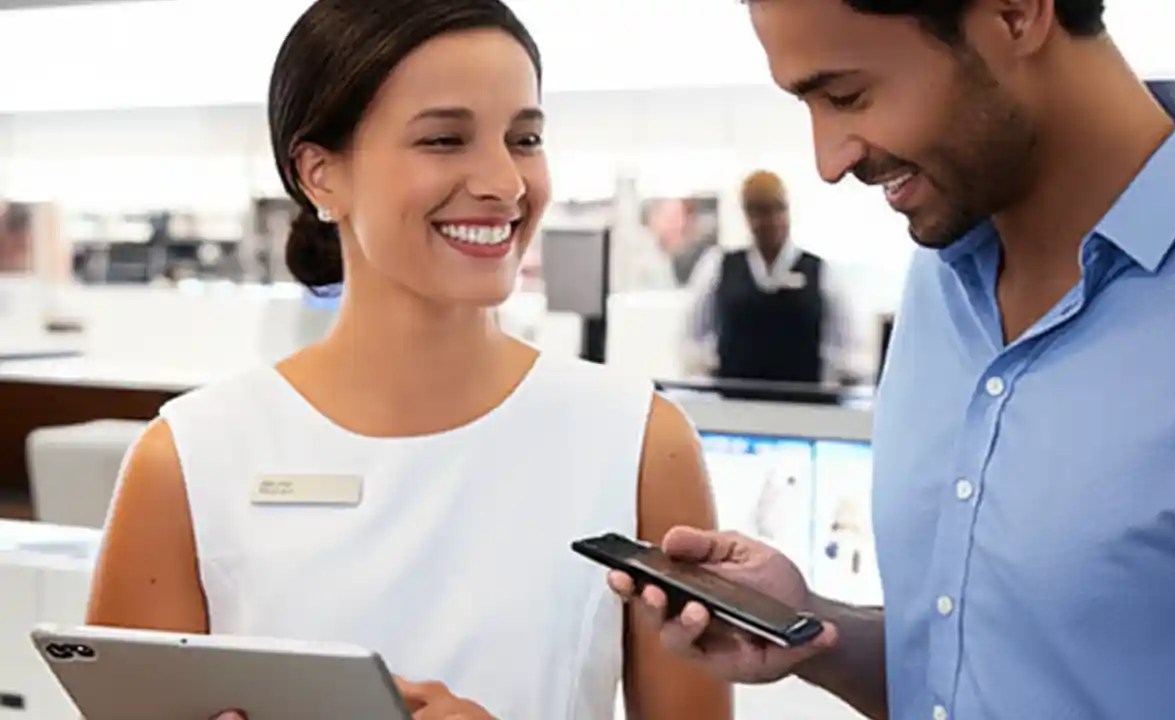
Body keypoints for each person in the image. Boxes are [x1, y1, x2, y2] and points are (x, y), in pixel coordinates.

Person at [613, 1, 1175, 719]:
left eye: (846, 96)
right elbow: (982, 671)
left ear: (1016, 14)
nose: (828, 162)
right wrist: (818, 631)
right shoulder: (940, 275)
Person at [84, 2, 732, 719]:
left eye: (524, 138)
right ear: (320, 173)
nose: (505, 182)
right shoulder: (188, 460)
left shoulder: (637, 440)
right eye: (445, 139)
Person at [684, 170, 857, 385]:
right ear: (747, 215)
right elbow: (693, 338)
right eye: (761, 212)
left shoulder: (820, 272)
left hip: (806, 405)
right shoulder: (718, 267)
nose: (772, 221)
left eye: (779, 209)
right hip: (734, 403)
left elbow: (844, 349)